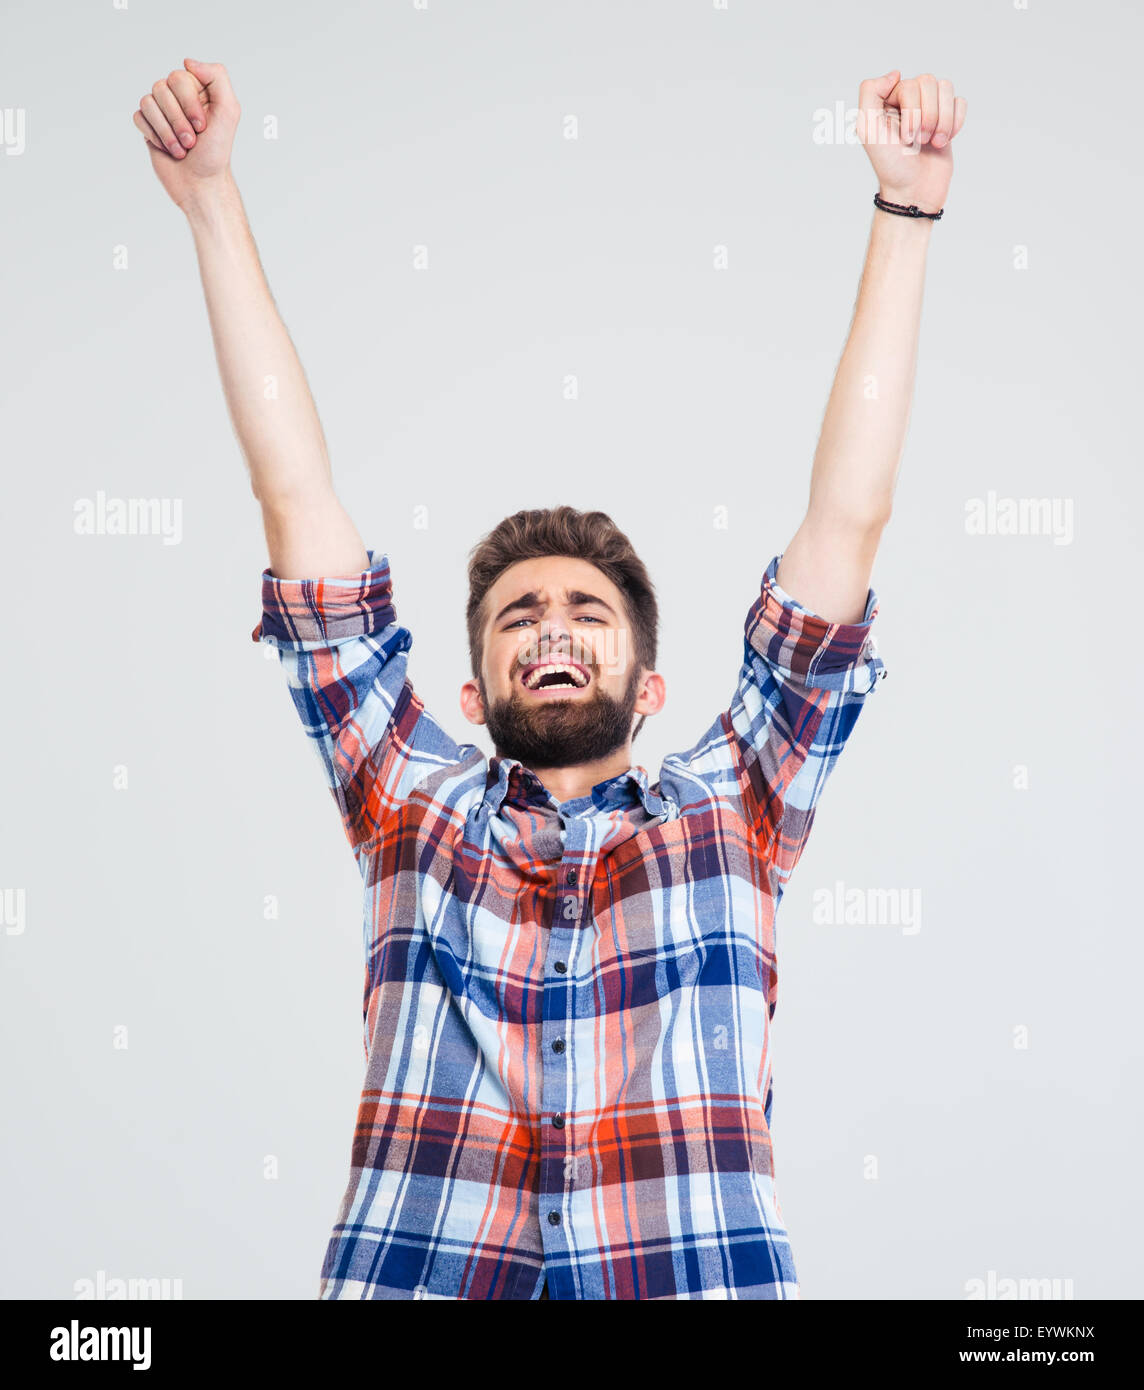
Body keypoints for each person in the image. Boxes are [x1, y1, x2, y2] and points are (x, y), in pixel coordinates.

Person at [133, 58, 965, 1299]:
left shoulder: (734, 803)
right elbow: (294, 497)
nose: (552, 627)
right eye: (520, 615)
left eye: (587, 610)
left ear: (652, 685)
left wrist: (905, 215)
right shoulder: (406, 797)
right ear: (470, 695)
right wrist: (210, 197)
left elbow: (847, 522)